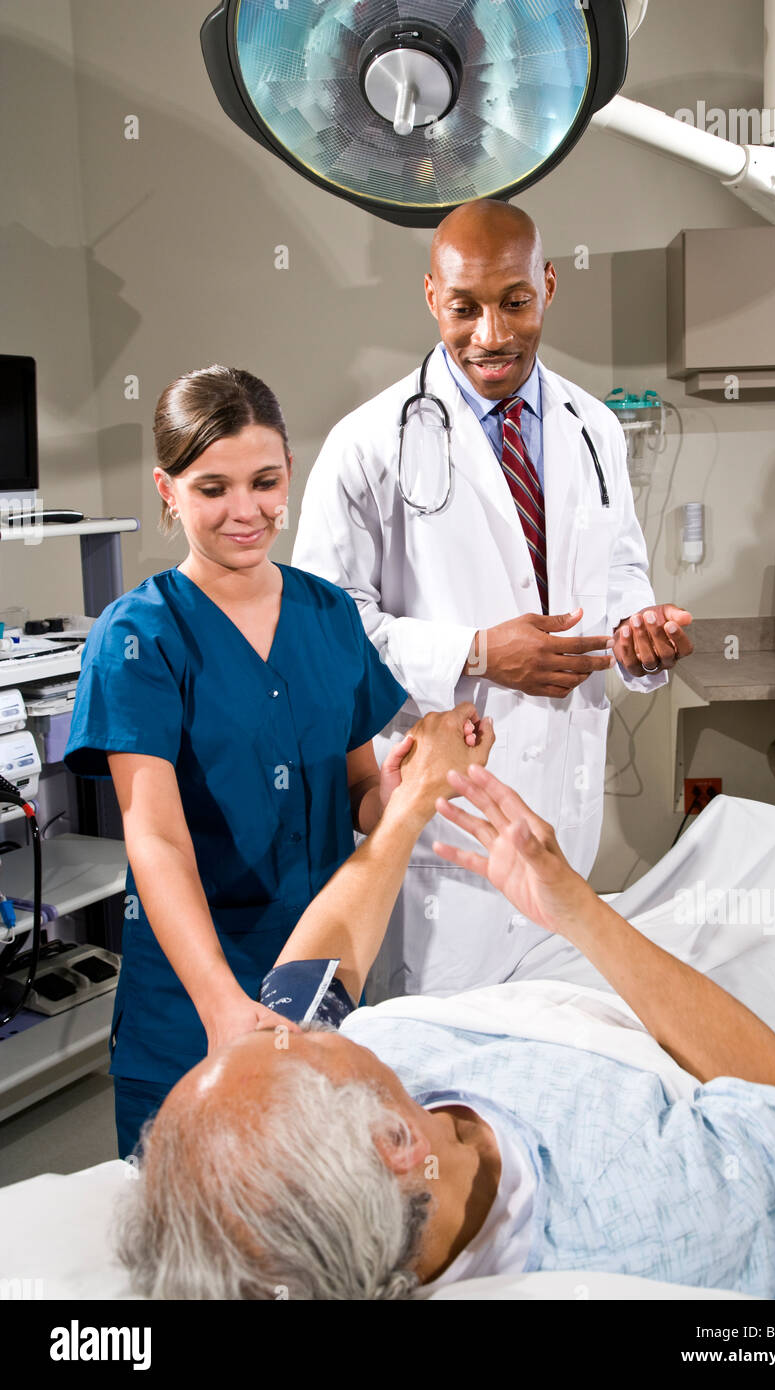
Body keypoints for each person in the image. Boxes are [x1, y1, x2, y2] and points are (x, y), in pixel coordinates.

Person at [115, 713, 775, 1301]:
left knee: (743, 844)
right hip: (701, 1029)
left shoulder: (331, 1167)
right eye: (282, 1045)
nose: (272, 1025)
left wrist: (413, 803)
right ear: (397, 1144)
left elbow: (320, 969)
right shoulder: (659, 1216)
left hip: (571, 983)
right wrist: (577, 909)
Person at [64, 365, 480, 1157]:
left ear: (289, 472)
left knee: (322, 1228)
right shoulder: (140, 636)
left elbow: (357, 786)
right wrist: (222, 1004)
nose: (246, 511)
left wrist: (391, 797)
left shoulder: (326, 613)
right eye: (212, 488)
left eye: (265, 481)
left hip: (321, 979)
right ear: (168, 488)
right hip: (191, 998)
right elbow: (154, 838)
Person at [292, 197, 694, 1000]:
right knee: (438, 1084)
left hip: (564, 809)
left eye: (515, 302)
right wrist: (476, 652)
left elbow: (619, 576)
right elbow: (324, 637)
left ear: (547, 286)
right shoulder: (367, 443)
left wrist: (640, 634)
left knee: (557, 1037)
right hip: (440, 817)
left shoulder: (593, 428)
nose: (492, 335)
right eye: (466, 307)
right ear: (432, 298)